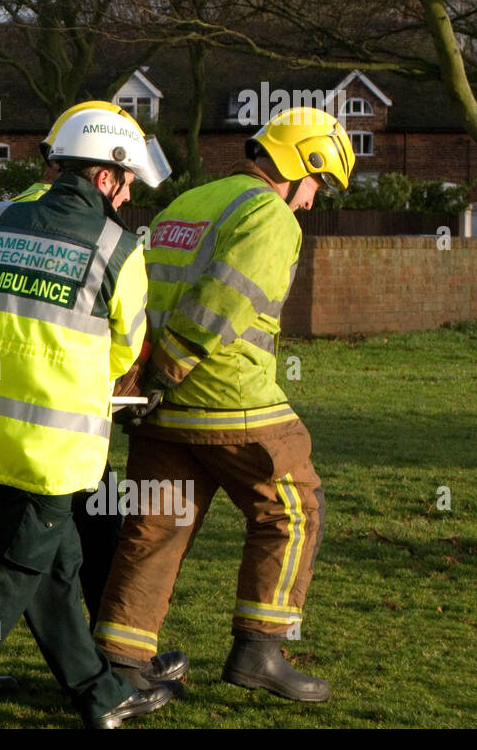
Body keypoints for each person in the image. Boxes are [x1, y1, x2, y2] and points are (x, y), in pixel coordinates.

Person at [0, 107, 181, 728]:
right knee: (14, 573)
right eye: (125, 186)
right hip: (56, 451)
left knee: (56, 567)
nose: (126, 199)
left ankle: (100, 696)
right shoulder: (118, 247)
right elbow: (125, 348)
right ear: (104, 178)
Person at [94, 106, 354, 702]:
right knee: (294, 507)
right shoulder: (269, 215)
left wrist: (144, 379)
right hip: (227, 396)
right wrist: (167, 368)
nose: (312, 202)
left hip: (159, 406)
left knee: (155, 527)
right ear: (301, 163)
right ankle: (261, 648)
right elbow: (222, 302)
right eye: (317, 183)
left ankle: (121, 661)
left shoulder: (189, 203)